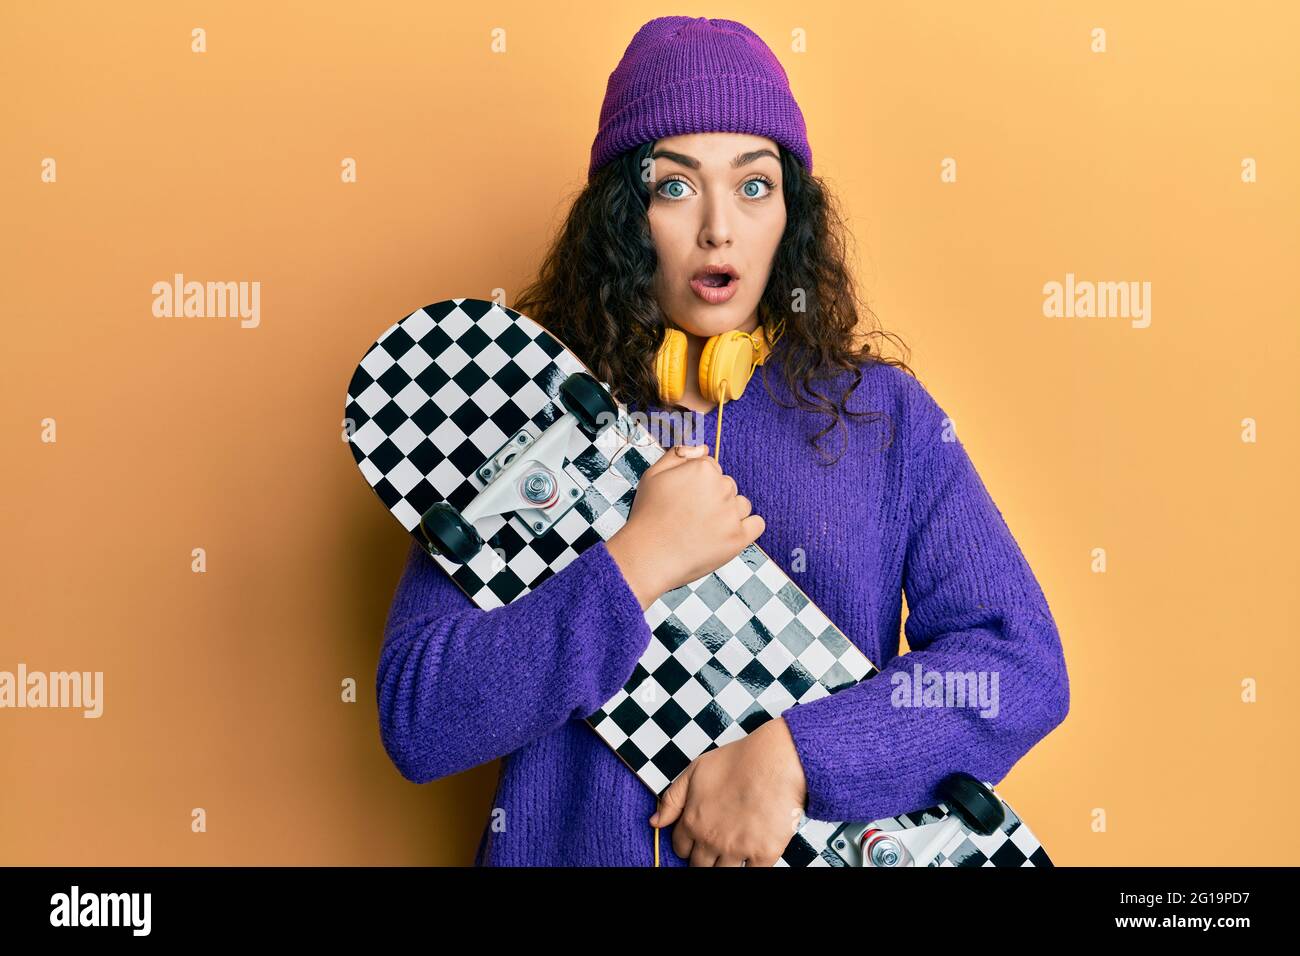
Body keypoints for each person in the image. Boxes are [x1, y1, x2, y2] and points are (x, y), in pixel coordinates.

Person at [375, 16, 1069, 867]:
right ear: (623, 218)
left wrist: (798, 759)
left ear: (792, 212)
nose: (717, 228)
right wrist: (633, 565)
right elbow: (420, 715)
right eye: (674, 187)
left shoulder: (882, 417)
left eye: (754, 186)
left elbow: (1016, 662)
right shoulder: (525, 423)